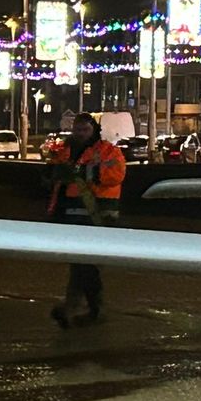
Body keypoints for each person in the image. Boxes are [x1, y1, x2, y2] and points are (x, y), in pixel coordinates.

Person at [48, 113, 126, 328]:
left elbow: (116, 175)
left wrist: (83, 172)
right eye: (78, 130)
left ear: (94, 130)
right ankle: (87, 308)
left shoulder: (108, 150)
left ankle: (81, 307)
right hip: (73, 212)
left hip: (97, 214)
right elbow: (57, 180)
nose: (80, 134)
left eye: (85, 130)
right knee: (82, 263)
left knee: (84, 264)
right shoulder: (65, 150)